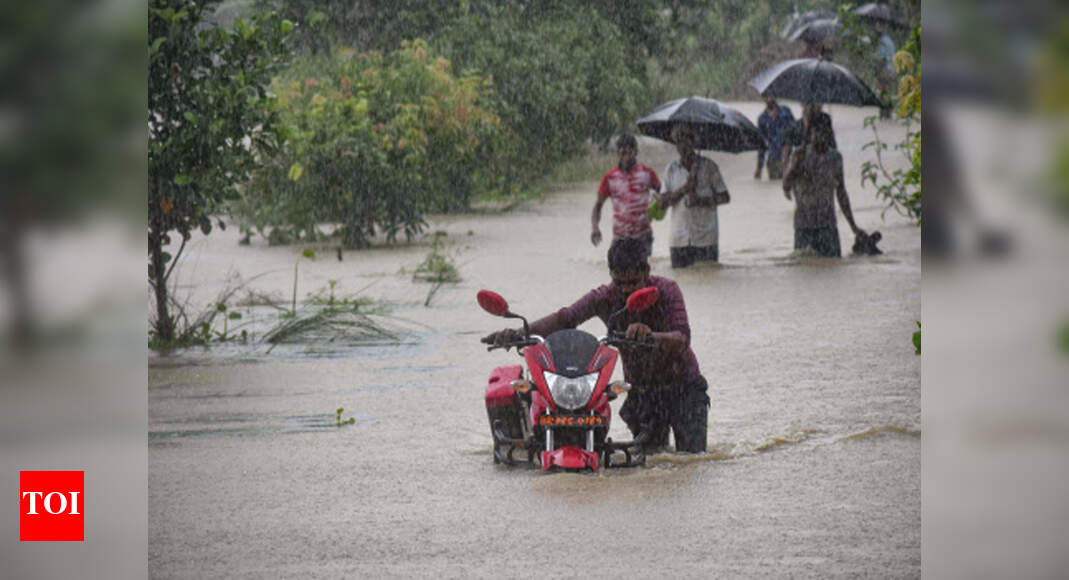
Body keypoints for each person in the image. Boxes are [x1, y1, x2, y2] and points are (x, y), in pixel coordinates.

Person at [482, 237, 710, 453]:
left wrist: (651, 335)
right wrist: (520, 333)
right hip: (643, 392)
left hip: (683, 388)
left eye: (633, 282)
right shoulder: (606, 297)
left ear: (646, 272)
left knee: (691, 460)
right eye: (619, 282)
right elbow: (566, 318)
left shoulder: (667, 291)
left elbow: (682, 338)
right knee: (652, 461)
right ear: (611, 275)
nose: (626, 290)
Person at [781, 113, 867, 257]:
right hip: (804, 227)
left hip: (828, 227)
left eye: (825, 131)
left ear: (829, 133)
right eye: (817, 131)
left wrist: (853, 227)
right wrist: (795, 165)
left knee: (833, 269)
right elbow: (785, 186)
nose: (821, 135)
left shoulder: (835, 158)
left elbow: (841, 193)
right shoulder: (799, 155)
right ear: (811, 133)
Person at [655, 124, 729, 268]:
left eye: (687, 139)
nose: (683, 145)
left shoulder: (709, 167)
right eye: (679, 140)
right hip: (679, 239)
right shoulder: (671, 169)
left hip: (706, 238)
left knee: (708, 279)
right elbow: (663, 202)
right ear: (675, 144)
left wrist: (700, 201)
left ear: (694, 142)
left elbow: (724, 197)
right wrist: (684, 189)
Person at [591, 134, 661, 257]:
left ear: (636, 152)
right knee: (618, 272)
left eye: (630, 153)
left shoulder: (647, 173)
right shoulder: (610, 178)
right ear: (618, 153)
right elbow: (598, 206)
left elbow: (664, 194)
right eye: (623, 153)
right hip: (620, 238)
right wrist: (595, 228)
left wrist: (657, 203)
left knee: (641, 274)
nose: (627, 158)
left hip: (643, 236)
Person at [754, 95, 796, 180]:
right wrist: (759, 167)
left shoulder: (786, 113)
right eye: (766, 96)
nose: (769, 99)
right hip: (773, 160)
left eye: (771, 96)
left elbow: (795, 132)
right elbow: (761, 144)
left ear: (775, 97)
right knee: (775, 183)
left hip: (789, 158)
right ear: (764, 99)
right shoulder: (762, 119)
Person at [874, 21, 897, 119]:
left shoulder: (882, 41)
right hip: (892, 70)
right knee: (887, 93)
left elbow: (882, 60)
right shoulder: (889, 40)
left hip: (885, 71)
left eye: (878, 27)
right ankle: (888, 115)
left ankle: (883, 116)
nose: (876, 29)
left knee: (882, 94)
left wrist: (878, 73)